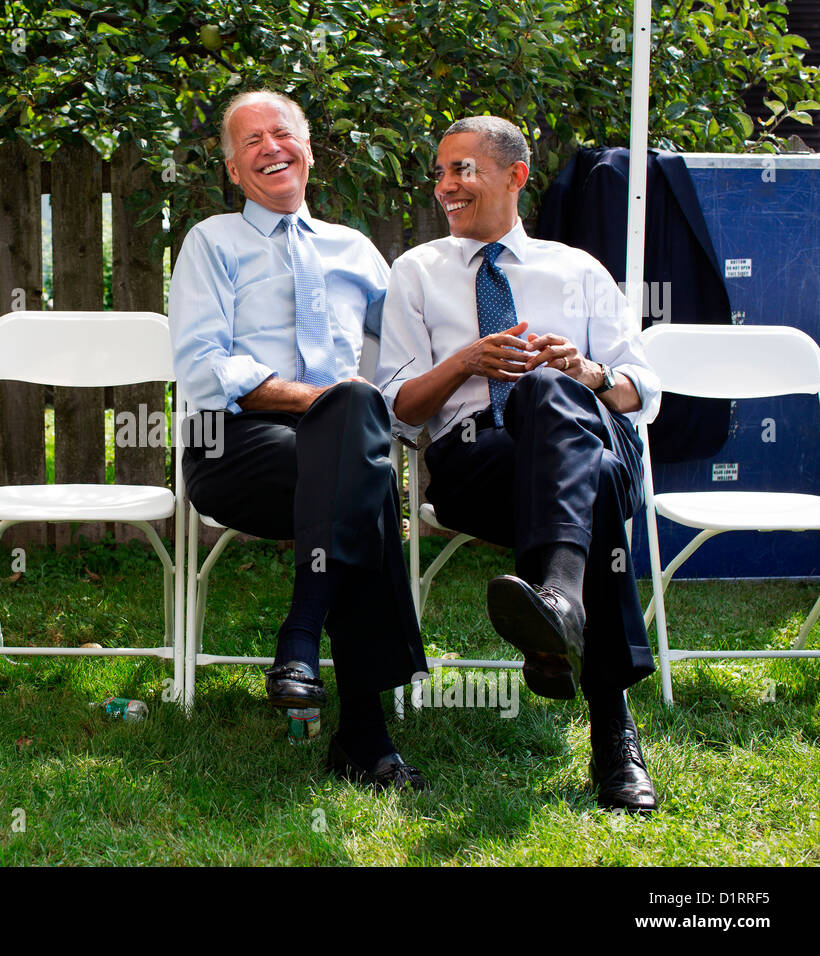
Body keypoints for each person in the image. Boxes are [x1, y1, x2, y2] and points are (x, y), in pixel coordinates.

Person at [376, 116, 661, 812]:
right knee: (583, 480)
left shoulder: (578, 269)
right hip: (480, 463)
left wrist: (586, 373)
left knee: (549, 391)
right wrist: (467, 361)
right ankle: (612, 730)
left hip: (593, 434)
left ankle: (558, 610)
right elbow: (397, 407)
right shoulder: (416, 273)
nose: (445, 185)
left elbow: (641, 390)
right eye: (440, 171)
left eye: (462, 169)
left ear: (515, 176)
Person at [169, 89, 428, 792]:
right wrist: (331, 404)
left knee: (354, 462)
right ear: (232, 170)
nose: (270, 148)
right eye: (249, 142)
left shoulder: (357, 251)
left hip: (335, 454)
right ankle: (363, 731)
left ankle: (303, 649)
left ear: (309, 150)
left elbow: (410, 348)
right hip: (236, 446)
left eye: (281, 134)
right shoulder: (211, 244)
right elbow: (202, 367)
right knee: (359, 462)